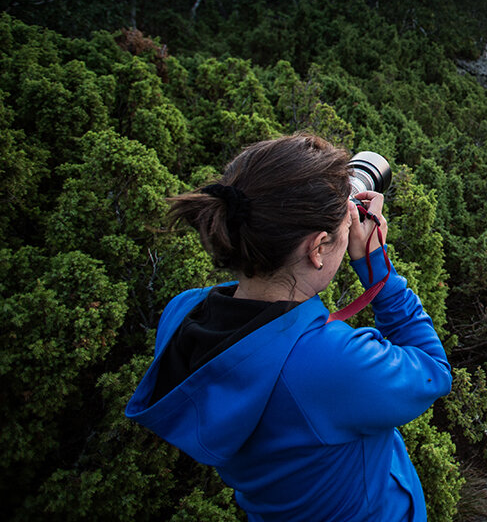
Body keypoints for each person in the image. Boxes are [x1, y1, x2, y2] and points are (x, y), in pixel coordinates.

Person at [125, 134, 451, 522]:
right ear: (317, 249)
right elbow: (433, 370)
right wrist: (376, 265)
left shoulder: (184, 313)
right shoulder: (330, 365)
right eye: (344, 226)